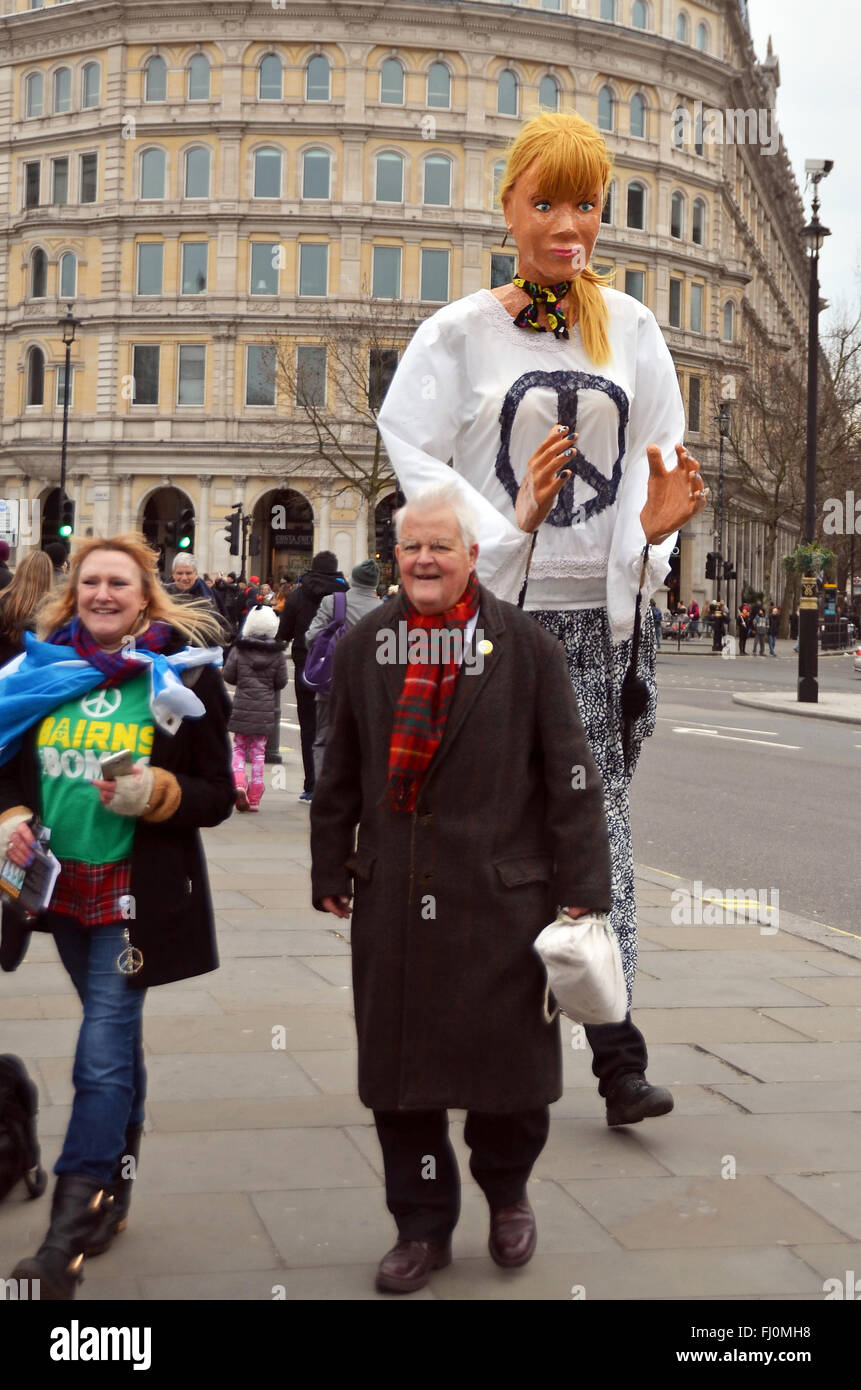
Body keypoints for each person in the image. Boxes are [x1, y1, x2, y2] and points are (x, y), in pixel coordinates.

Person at [376, 110, 707, 1126]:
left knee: (595, 824)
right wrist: (505, 524)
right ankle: (489, 1037)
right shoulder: (458, 333)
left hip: (593, 627)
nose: (571, 224)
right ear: (509, 208)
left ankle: (617, 1055)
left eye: (588, 204)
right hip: (494, 626)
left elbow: (658, 459)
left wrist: (653, 535)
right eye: (548, 201)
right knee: (480, 832)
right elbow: (414, 455)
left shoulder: (634, 329)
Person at [311, 484, 612, 1293]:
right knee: (400, 1082)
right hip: (394, 898)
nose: (423, 560)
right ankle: (420, 1227)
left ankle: (508, 1194)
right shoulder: (363, 645)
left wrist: (582, 886)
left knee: (507, 1076)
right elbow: (336, 770)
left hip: (500, 898)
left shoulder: (526, 648)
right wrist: (328, 865)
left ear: (472, 556)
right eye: (410, 546)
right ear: (393, 555)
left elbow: (572, 779)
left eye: (439, 546)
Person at [0, 533, 234, 1299]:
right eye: (92, 582)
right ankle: (115, 1188)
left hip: (135, 896)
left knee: (98, 1052)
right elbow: (4, 767)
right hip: (59, 894)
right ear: (74, 593)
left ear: (145, 598)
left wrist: (159, 795)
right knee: (117, 1048)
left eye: (120, 585)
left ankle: (62, 1241)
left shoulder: (180, 681)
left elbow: (215, 794)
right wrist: (9, 814)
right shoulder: (41, 675)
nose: (104, 595)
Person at [277, 552, 348, 802]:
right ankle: (335, 783)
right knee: (337, 728)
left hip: (306, 666)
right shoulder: (344, 596)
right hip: (339, 668)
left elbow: (283, 632)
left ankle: (311, 785)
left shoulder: (298, 595)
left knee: (309, 726)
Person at [305, 559, 381, 782]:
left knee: (324, 740)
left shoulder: (334, 602)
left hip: (332, 682)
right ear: (375, 584)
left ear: (353, 579)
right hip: (368, 689)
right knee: (361, 742)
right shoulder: (384, 610)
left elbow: (311, 638)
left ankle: (324, 792)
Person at [222, 602, 288, 812]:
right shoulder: (277, 654)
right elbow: (282, 682)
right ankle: (255, 794)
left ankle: (239, 782)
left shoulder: (240, 650)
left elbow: (229, 675)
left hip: (242, 705)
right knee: (259, 753)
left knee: (239, 748)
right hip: (265, 709)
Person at [0, 551, 53, 668]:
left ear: (20, 571)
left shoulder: (3, 600)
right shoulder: (52, 610)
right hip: (31, 675)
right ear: (49, 576)